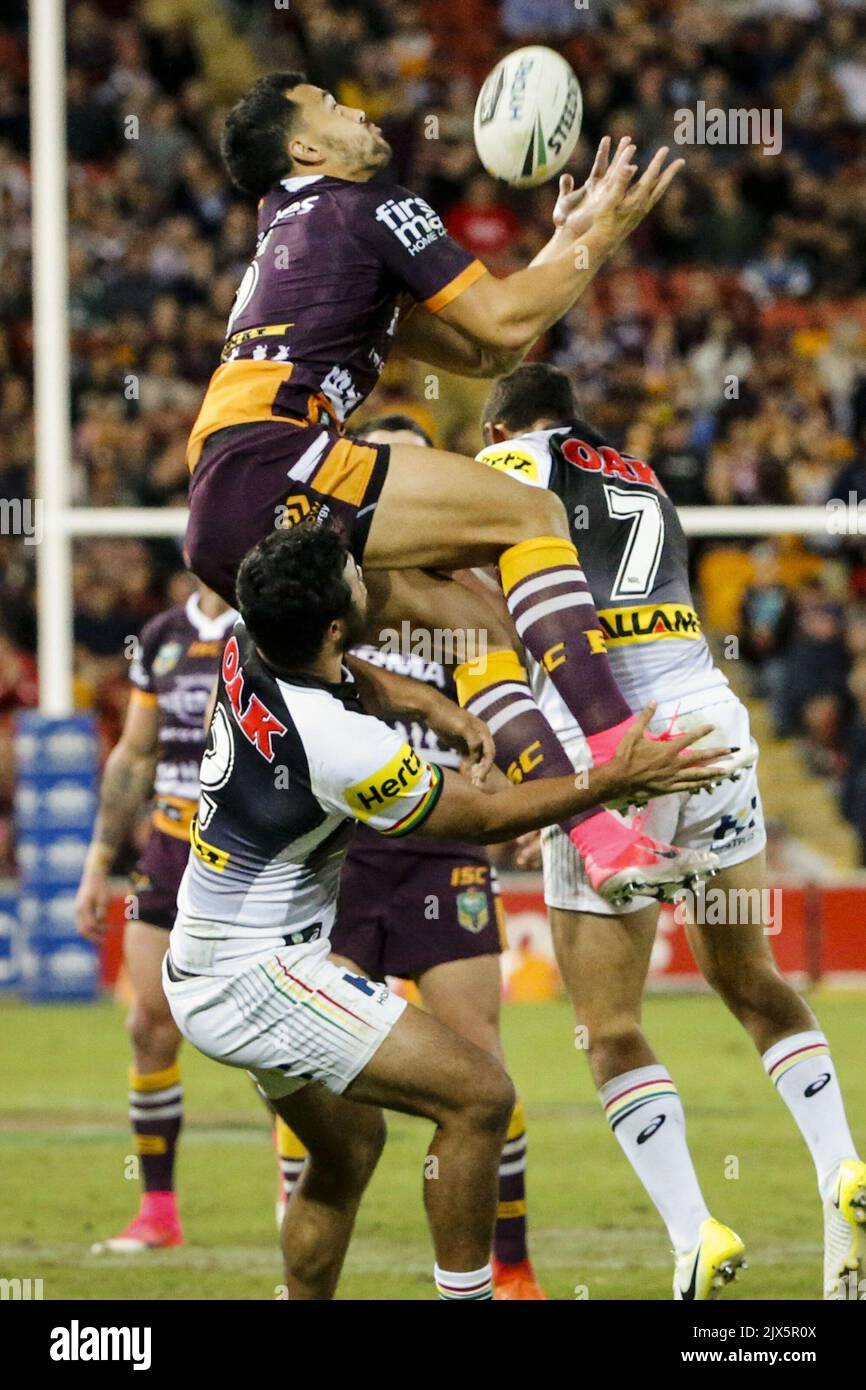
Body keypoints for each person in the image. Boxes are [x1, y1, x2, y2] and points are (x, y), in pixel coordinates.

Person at [162, 522, 726, 1301]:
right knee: (480, 1095)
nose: (365, 577)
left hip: (212, 952)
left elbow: (347, 672)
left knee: (350, 1149)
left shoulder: (245, 637)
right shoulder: (338, 744)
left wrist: (432, 705)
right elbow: (482, 818)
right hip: (257, 976)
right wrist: (609, 780)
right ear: (330, 624)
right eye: (354, 579)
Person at [181, 70, 706, 904]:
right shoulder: (369, 206)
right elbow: (502, 323)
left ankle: (605, 843)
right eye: (333, 107)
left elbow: (487, 354)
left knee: (474, 623)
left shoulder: (302, 229)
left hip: (225, 501)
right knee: (530, 513)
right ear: (307, 148)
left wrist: (558, 246)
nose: (359, 108)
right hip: (277, 457)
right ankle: (617, 752)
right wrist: (599, 233)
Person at [472, 361, 866, 1301]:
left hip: (616, 749)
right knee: (752, 979)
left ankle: (695, 1233)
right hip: (713, 728)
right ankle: (841, 1164)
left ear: (504, 423)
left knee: (608, 1028)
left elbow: (526, 623)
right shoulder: (638, 473)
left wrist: (552, 779)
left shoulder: (510, 469)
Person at [274, 415, 545, 1299]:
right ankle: (307, 1261)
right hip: (345, 851)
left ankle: (510, 1269)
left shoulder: (469, 598)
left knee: (480, 1061)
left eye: (410, 463)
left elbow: (512, 697)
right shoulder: (335, 594)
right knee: (325, 1075)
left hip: (445, 845)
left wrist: (531, 784)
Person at [76, 581, 236, 1252]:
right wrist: (97, 861)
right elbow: (134, 755)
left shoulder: (269, 617)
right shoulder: (166, 634)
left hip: (243, 850)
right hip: (168, 849)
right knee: (148, 1024)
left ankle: (297, 1193)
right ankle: (158, 1212)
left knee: (274, 1039)